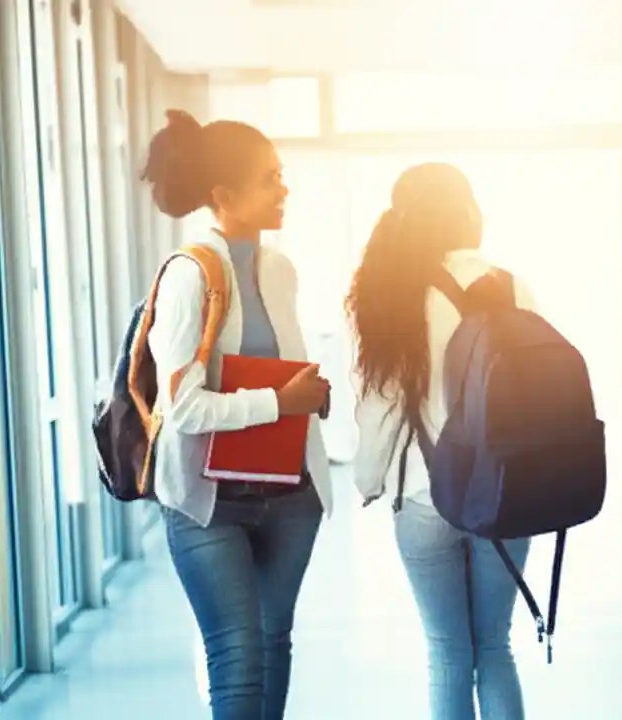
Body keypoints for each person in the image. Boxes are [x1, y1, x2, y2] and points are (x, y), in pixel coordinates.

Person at [140, 109, 333, 720]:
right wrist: (282, 402)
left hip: (290, 495)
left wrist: (310, 396)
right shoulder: (187, 277)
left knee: (274, 644)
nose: (284, 189)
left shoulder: (279, 271)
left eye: (282, 174)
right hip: (207, 504)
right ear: (224, 196)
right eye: (270, 178)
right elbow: (185, 408)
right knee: (239, 655)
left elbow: (282, 372)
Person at [346, 163, 535, 720]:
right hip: (506, 493)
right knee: (496, 647)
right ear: (467, 210)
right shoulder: (509, 283)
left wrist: (369, 479)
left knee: (449, 653)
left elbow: (378, 405)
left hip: (428, 495)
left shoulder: (394, 296)